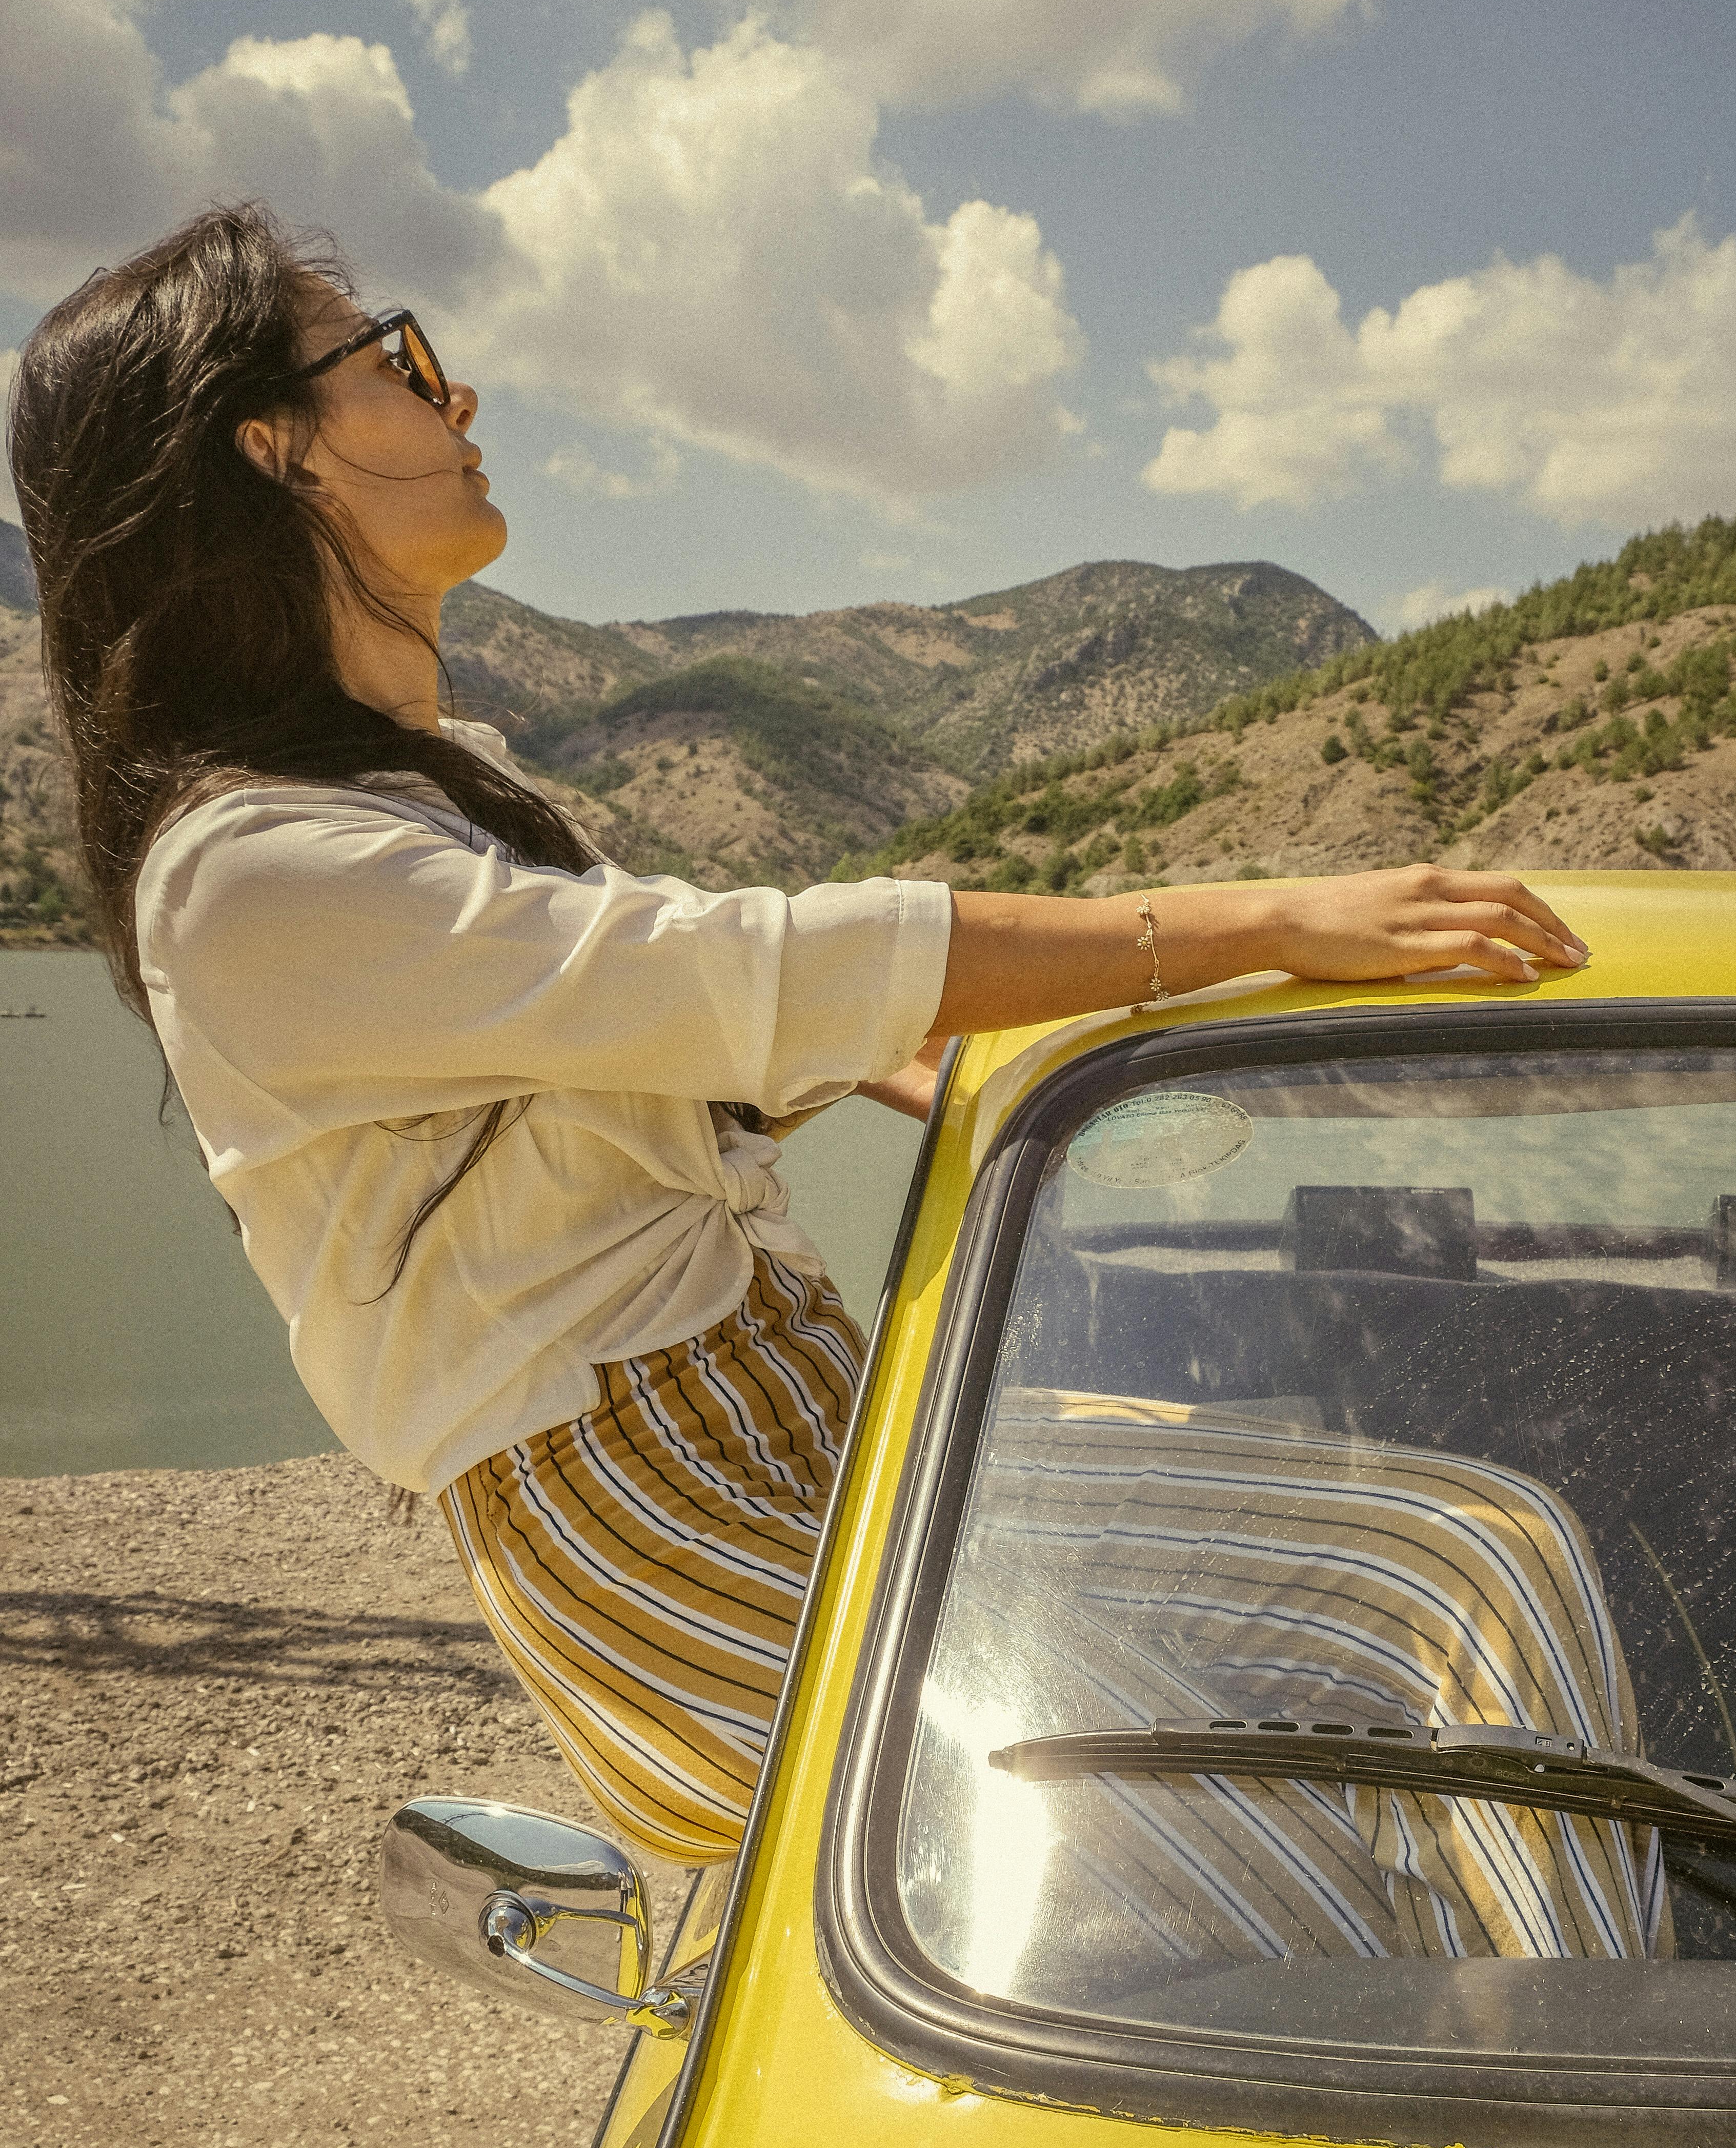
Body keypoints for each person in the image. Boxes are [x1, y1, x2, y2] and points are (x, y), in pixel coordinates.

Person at [8, 203, 1589, 1869]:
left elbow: (668, 1046)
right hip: (651, 1513)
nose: (454, 396)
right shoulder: (252, 871)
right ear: (273, 449)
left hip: (814, 1403)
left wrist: (921, 1060)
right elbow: (729, 976)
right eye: (394, 358)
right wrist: (1251, 922)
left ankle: (1580, 2005)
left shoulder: (430, 800)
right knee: (1215, 1856)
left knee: (1471, 1560)